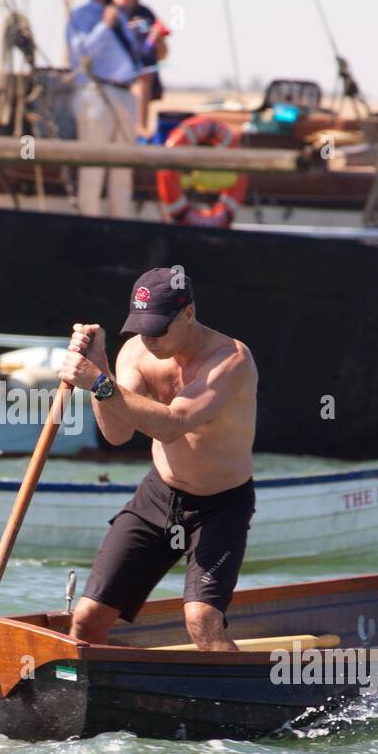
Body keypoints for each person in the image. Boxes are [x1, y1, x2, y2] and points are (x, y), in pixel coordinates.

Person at [57, 268, 258, 651]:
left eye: (159, 329)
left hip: (221, 506)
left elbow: (173, 425)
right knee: (86, 619)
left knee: (202, 622)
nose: (150, 340)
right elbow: (117, 434)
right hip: (158, 495)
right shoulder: (136, 351)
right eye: (143, 328)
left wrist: (99, 383)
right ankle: (103, 700)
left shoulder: (230, 359)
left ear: (188, 313)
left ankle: (252, 705)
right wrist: (99, 365)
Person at [67, 0, 145, 218]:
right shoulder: (80, 16)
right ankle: (88, 224)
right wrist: (104, 27)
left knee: (123, 168)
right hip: (97, 93)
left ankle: (122, 223)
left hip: (125, 92)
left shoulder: (120, 15)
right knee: (93, 167)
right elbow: (80, 54)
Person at [115, 0, 169, 140]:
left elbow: (162, 55)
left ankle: (141, 128)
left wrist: (158, 40)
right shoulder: (110, 12)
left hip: (144, 93)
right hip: (117, 90)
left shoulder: (146, 14)